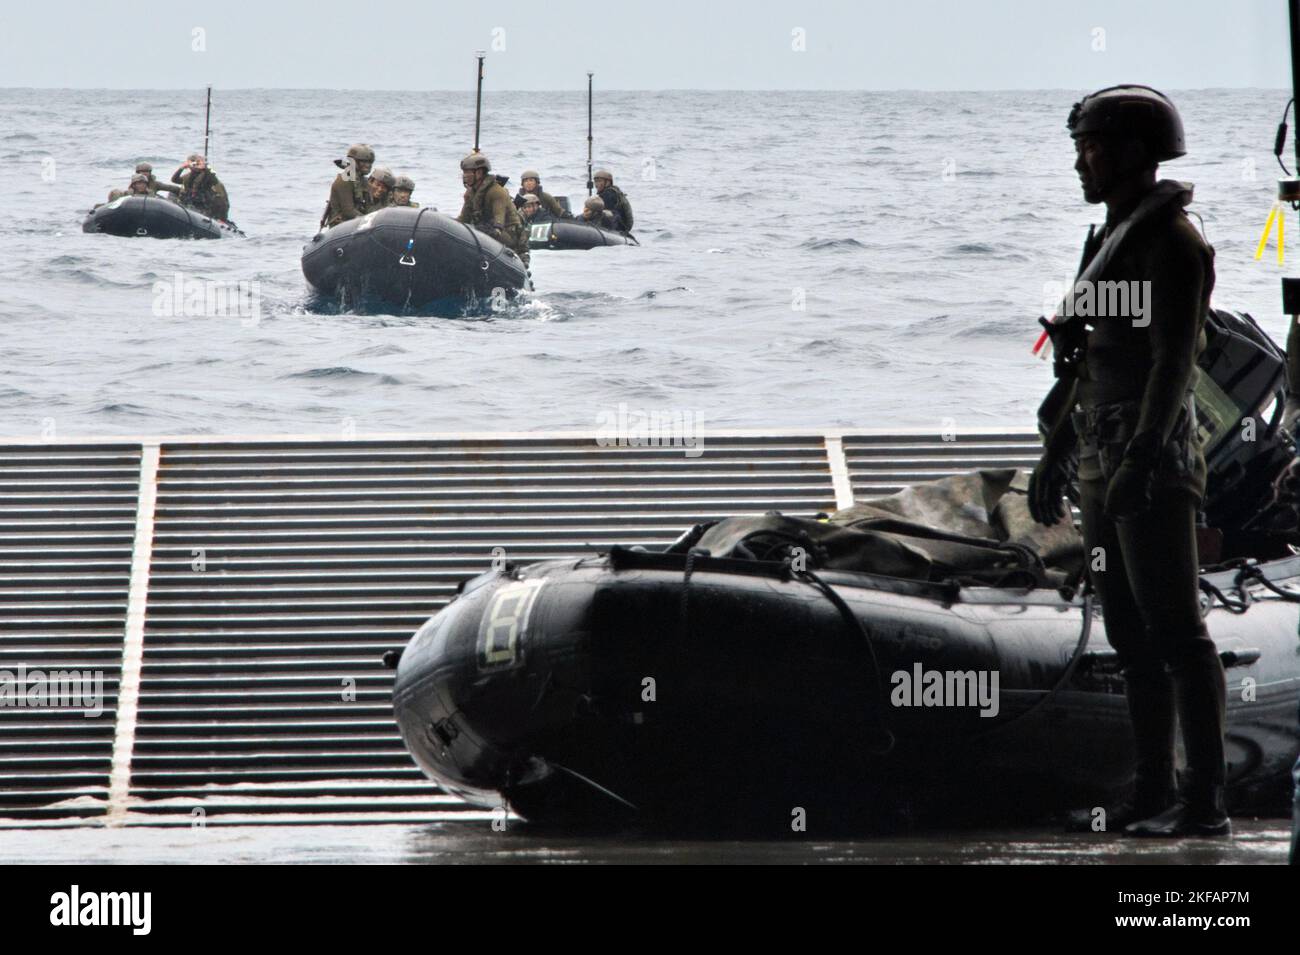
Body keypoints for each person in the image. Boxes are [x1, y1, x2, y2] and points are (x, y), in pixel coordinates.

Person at [1029, 85, 1228, 838]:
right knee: (1128, 631)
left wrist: (1142, 459)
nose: (1083, 162)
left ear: (1137, 153)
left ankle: (1205, 802)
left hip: (1150, 453)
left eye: (1094, 146)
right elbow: (1086, 359)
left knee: (1177, 628)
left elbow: (1175, 365)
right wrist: (1058, 450)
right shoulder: (1110, 240)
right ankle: (1153, 788)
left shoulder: (1172, 245)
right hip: (1100, 449)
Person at [457, 152, 530, 268]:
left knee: (483, 231)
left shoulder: (496, 192)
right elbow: (463, 219)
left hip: (508, 235)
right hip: (488, 230)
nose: (465, 176)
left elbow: (498, 226)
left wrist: (477, 230)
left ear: (479, 173)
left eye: (467, 172)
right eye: (464, 172)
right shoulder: (471, 193)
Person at [322, 143, 375, 228]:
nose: (368, 165)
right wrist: (370, 221)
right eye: (363, 161)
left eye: (370, 162)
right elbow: (348, 211)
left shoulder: (364, 182)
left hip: (356, 223)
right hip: (341, 226)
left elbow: (369, 207)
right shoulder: (344, 180)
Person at [171, 153, 230, 220]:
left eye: (197, 164)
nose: (195, 166)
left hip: (202, 204)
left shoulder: (206, 175)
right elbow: (174, 180)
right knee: (173, 192)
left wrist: (204, 167)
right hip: (189, 201)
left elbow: (212, 177)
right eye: (193, 164)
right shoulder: (188, 176)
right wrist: (181, 168)